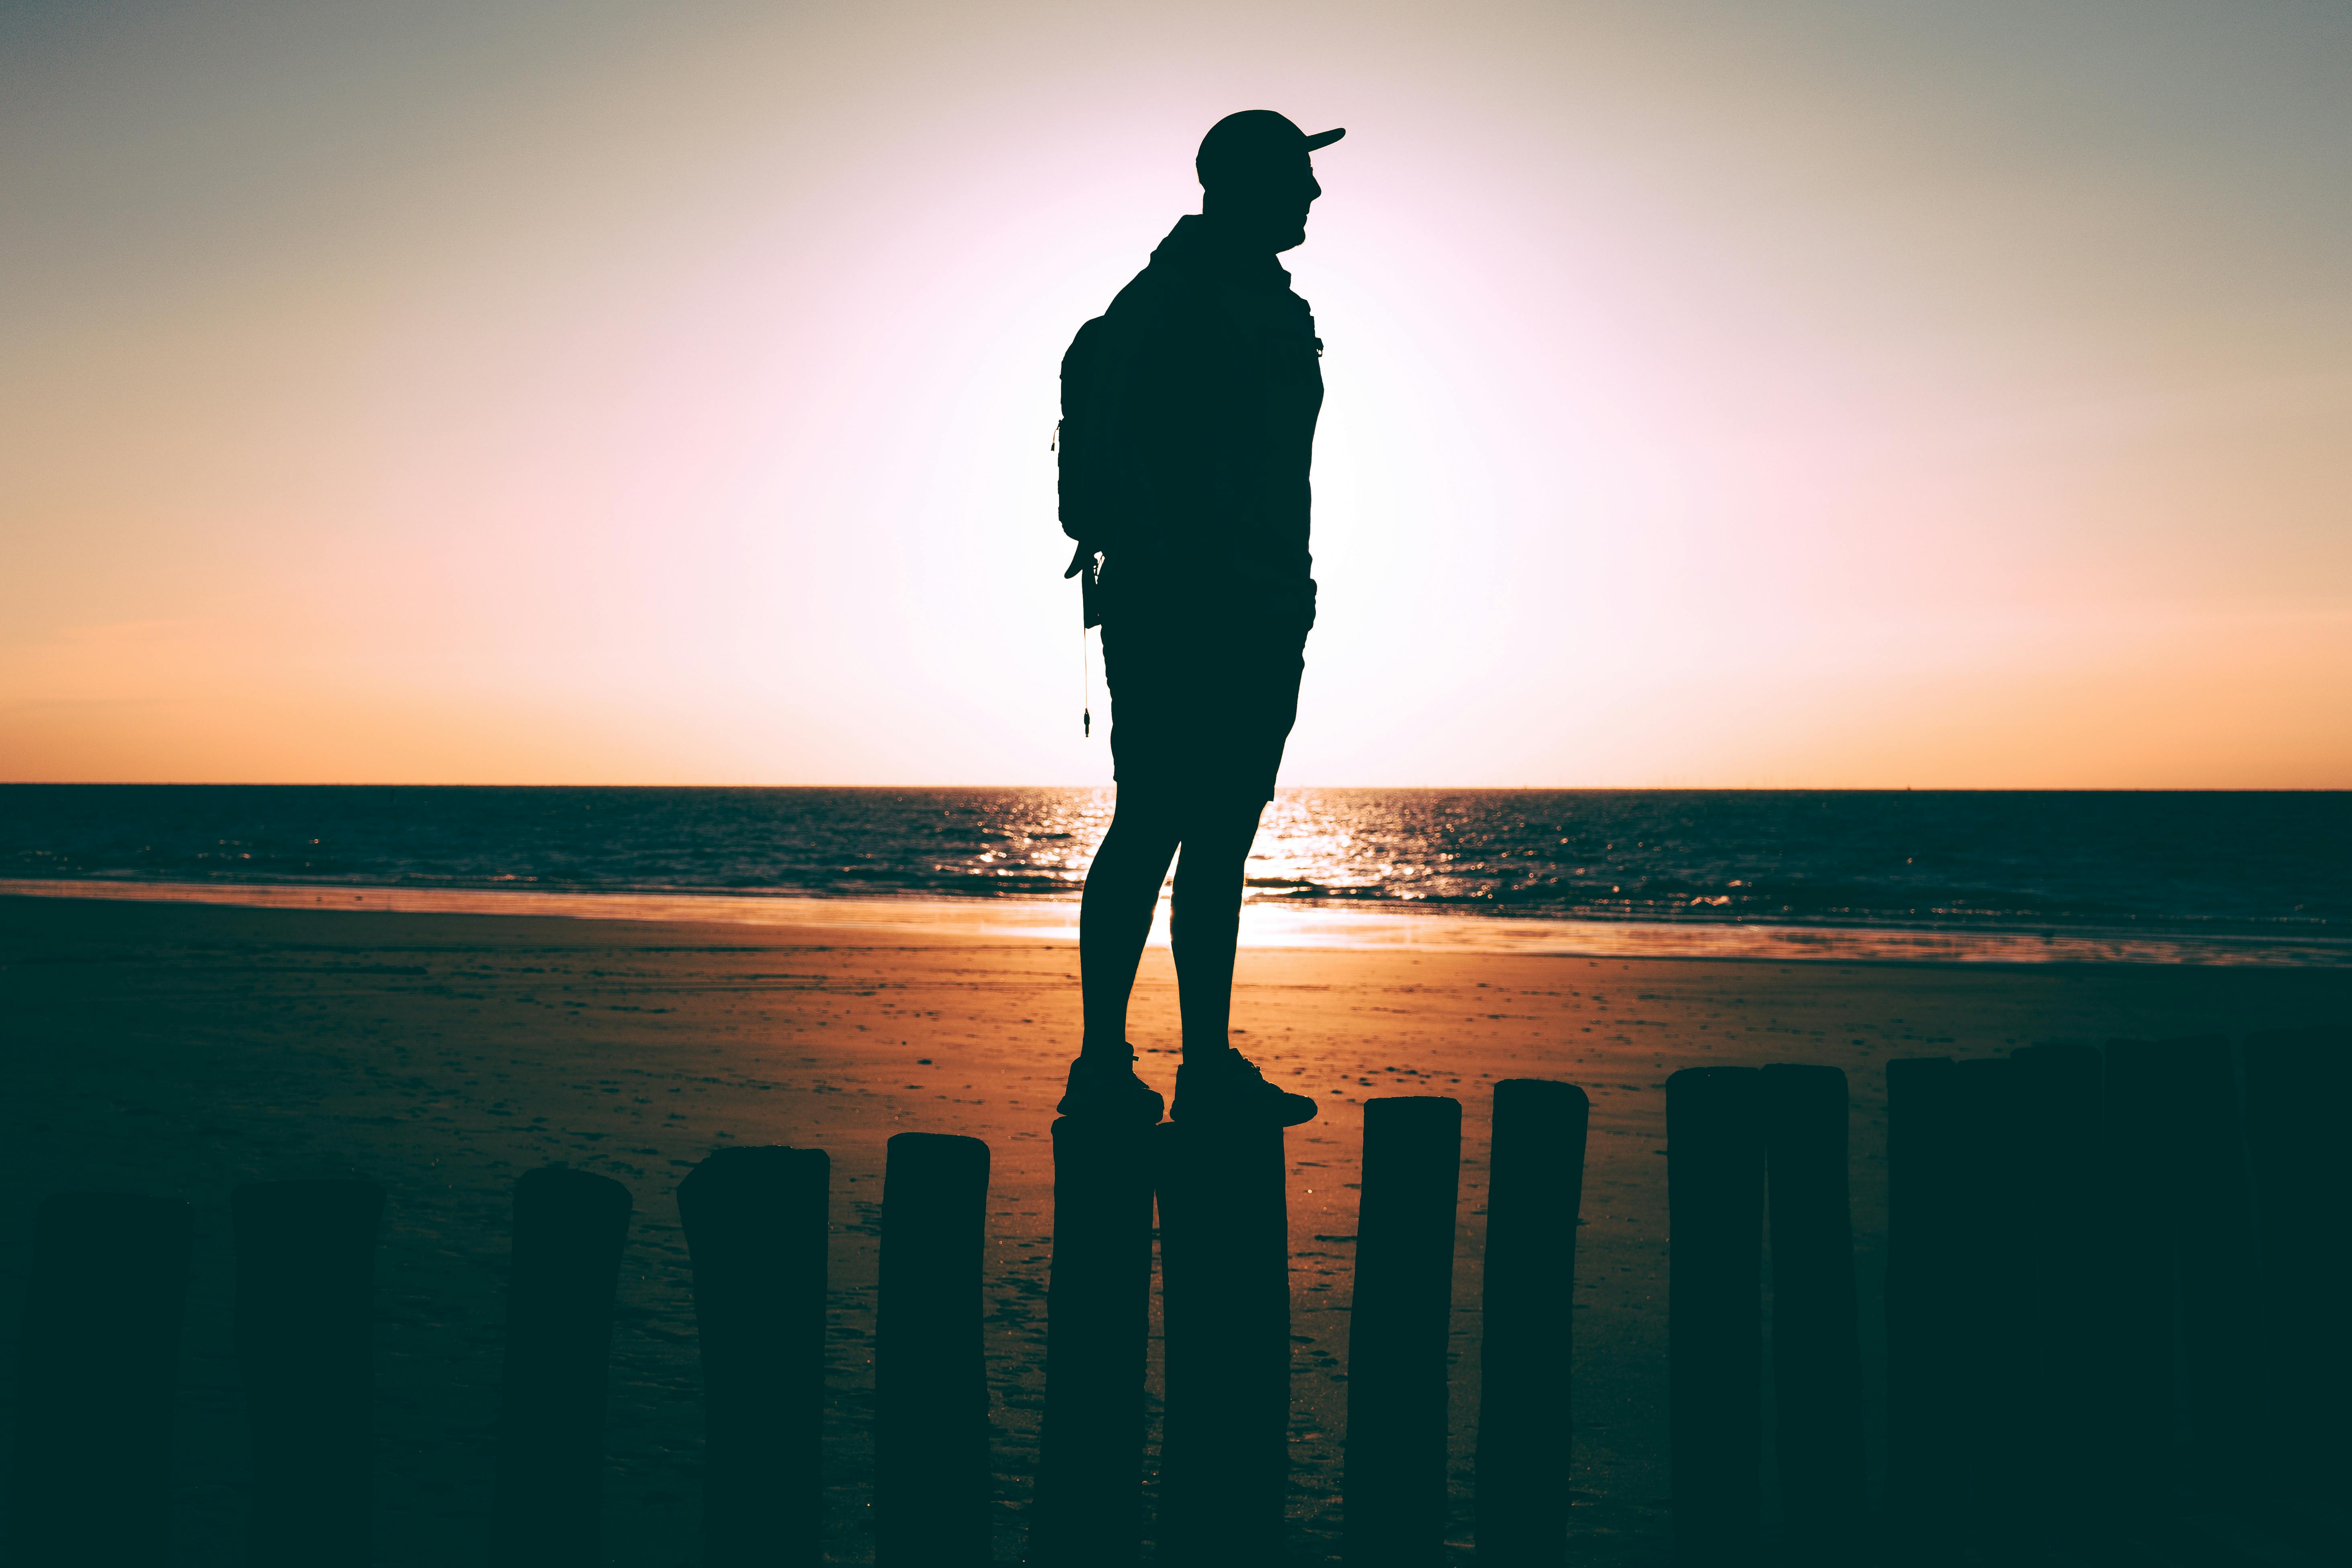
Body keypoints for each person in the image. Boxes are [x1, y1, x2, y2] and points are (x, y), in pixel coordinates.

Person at [1055, 111, 1342, 1126]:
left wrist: (1277, 596)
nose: (1313, 196)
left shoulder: (1263, 302)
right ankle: (1102, 1063)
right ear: (1244, 184)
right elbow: (1132, 460)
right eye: (1296, 178)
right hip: (1184, 612)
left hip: (1261, 608)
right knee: (1153, 825)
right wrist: (1175, 588)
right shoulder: (1168, 302)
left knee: (1220, 834)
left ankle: (1207, 1062)